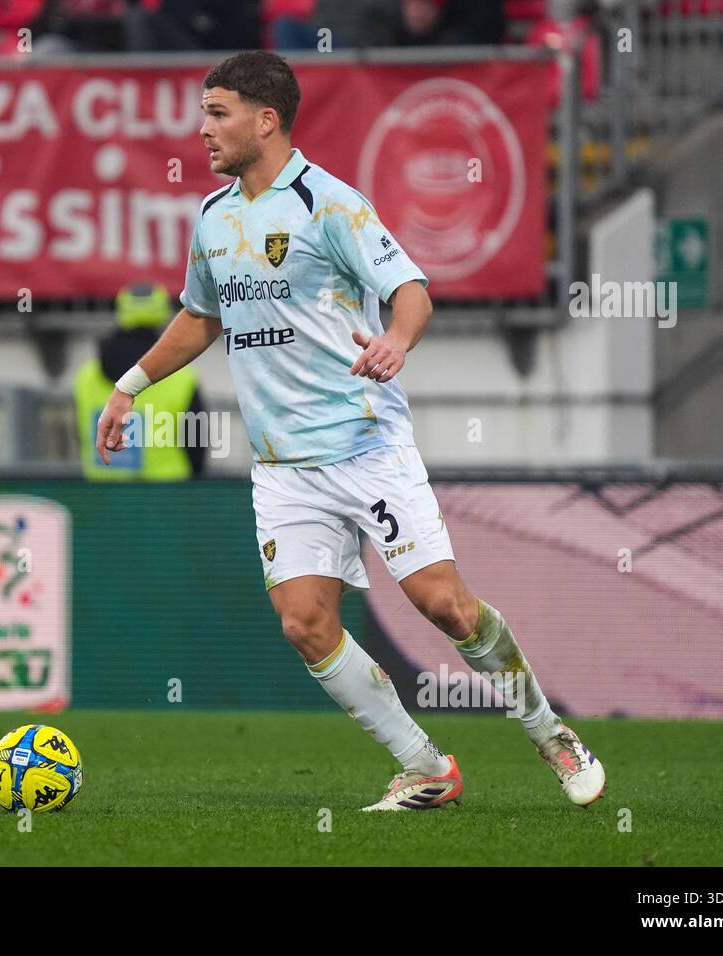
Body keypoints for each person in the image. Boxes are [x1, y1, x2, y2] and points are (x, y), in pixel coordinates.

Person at [94, 50, 607, 811]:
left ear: (266, 120)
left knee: (446, 608)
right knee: (304, 623)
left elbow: (410, 291)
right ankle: (424, 765)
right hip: (283, 467)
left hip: (365, 444)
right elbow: (202, 317)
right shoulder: (212, 216)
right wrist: (130, 385)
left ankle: (548, 731)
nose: (202, 130)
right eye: (204, 113)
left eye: (217, 113)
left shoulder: (326, 203)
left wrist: (396, 340)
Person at [75, 283, 207, 481]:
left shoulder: (86, 376)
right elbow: (197, 442)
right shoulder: (181, 377)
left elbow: (81, 435)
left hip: (103, 496)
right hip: (166, 495)